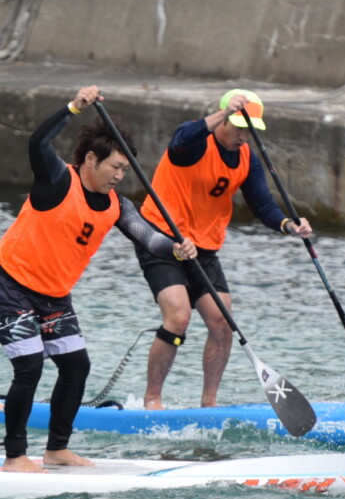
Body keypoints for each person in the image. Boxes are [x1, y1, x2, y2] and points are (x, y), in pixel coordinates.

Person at [0, 86, 195, 472]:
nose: (119, 176)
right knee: (29, 367)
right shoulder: (56, 179)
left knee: (76, 366)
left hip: (53, 296)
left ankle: (56, 450)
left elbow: (149, 238)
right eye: (114, 167)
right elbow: (37, 140)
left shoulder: (118, 206)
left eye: (125, 170)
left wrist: (177, 249)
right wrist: (72, 107)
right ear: (91, 159)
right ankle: (15, 457)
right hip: (10, 284)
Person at [131, 89, 312, 409]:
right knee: (178, 318)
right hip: (162, 236)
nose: (243, 137)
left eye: (249, 130)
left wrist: (289, 225)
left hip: (203, 247)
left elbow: (263, 205)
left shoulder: (246, 159)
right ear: (224, 119)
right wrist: (223, 112)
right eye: (238, 128)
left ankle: (208, 403)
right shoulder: (195, 143)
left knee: (223, 324)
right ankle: (152, 399)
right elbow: (180, 139)